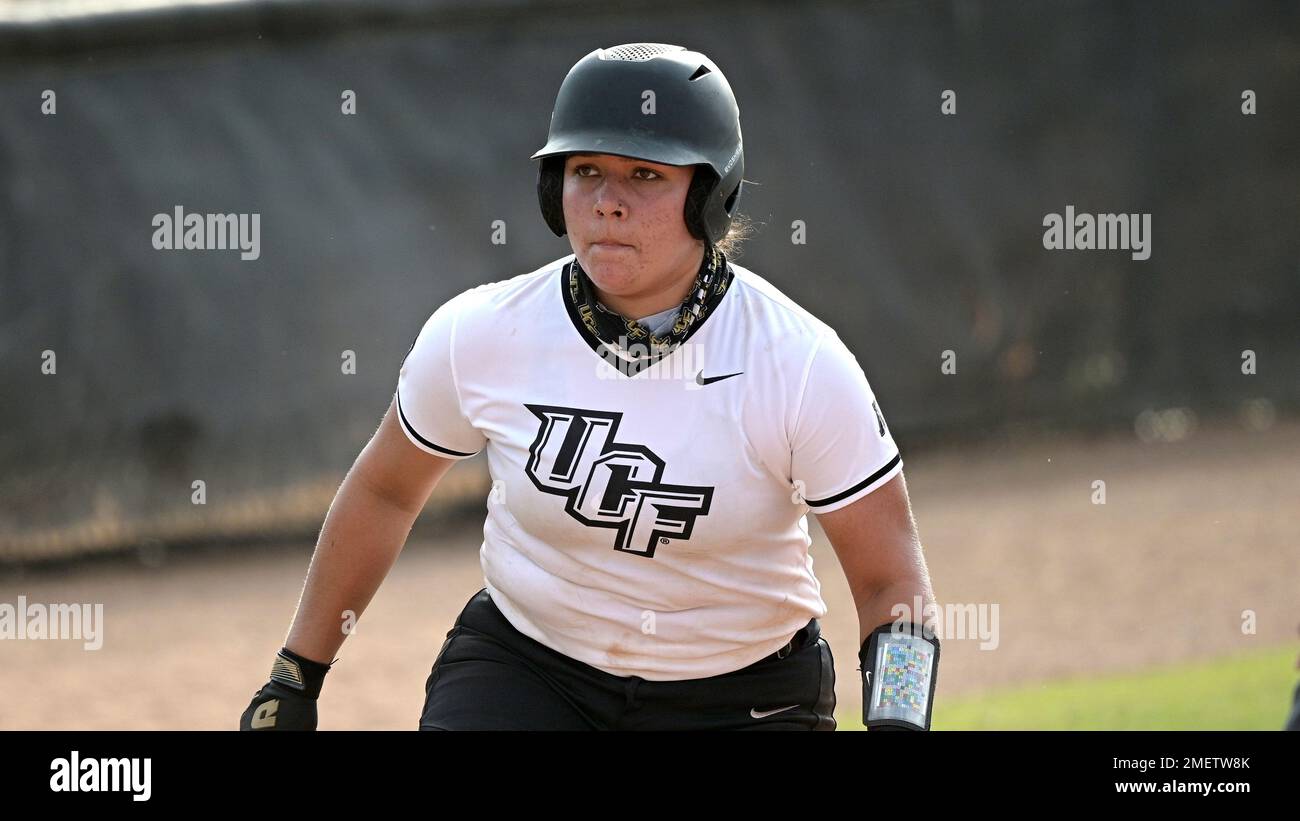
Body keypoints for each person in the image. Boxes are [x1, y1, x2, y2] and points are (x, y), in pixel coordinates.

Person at [240, 42, 940, 732]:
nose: (607, 202)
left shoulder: (799, 363)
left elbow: (891, 584)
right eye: (585, 171)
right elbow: (385, 492)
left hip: (742, 695)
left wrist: (901, 724)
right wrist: (297, 672)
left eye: (644, 175)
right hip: (528, 670)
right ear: (554, 188)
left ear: (709, 195)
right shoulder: (482, 333)